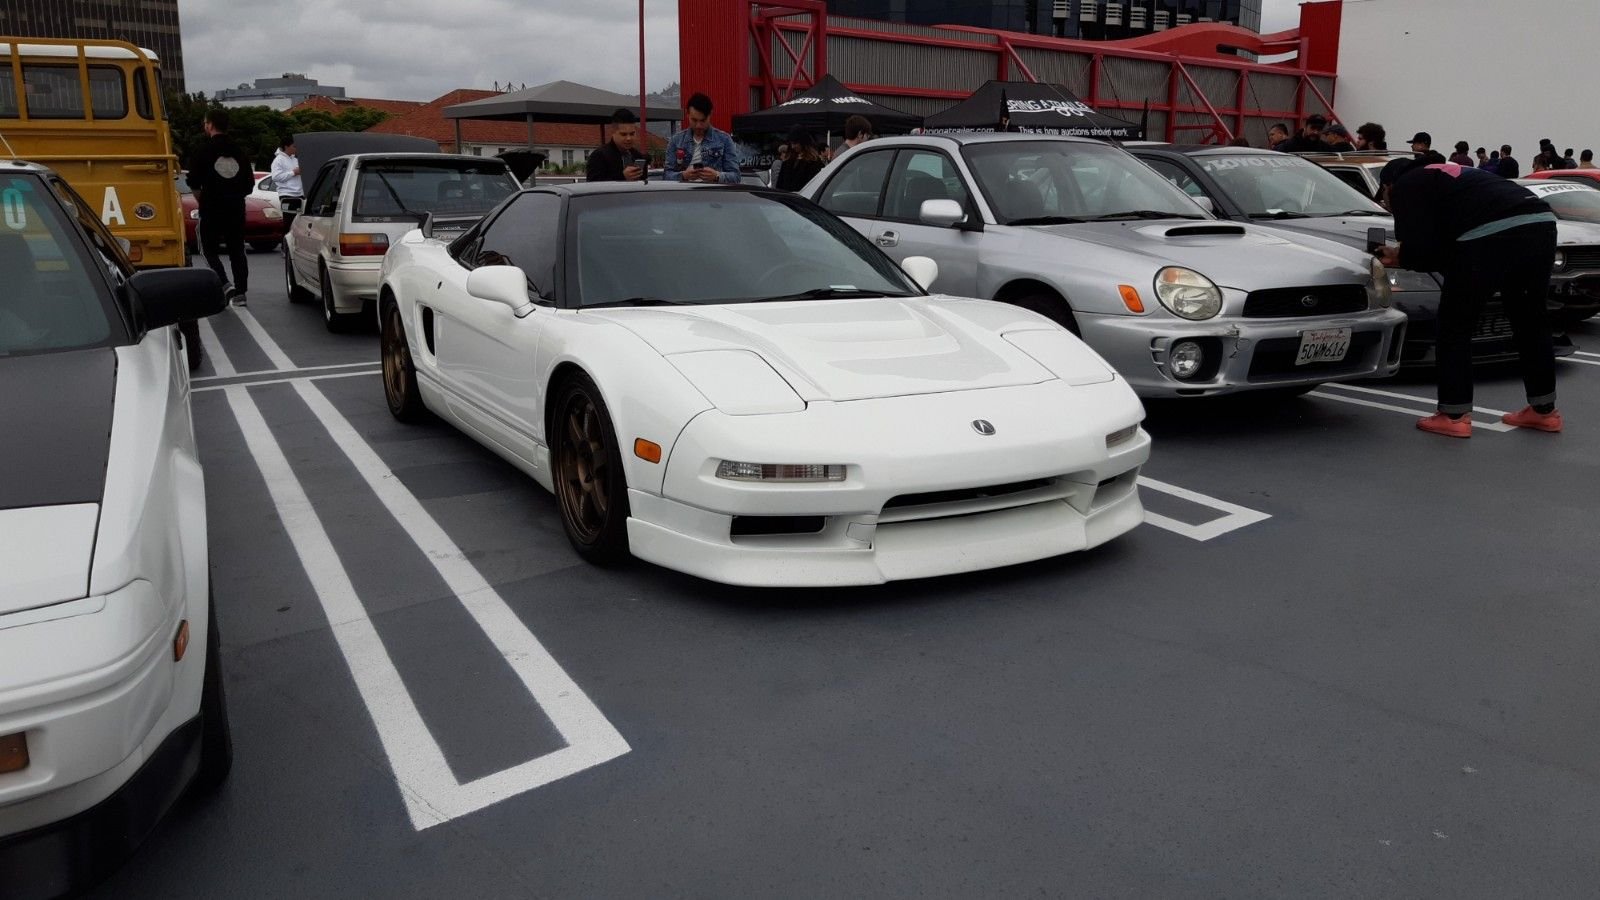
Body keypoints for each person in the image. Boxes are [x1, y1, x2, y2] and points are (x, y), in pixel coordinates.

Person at [1377, 160, 1561, 437]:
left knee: (1455, 323)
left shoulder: (1406, 184)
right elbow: (1451, 244)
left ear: (1388, 185)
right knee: (1530, 319)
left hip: (1491, 232)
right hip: (1540, 222)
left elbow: (1422, 250)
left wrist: (1399, 257)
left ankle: (1453, 415)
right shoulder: (1455, 176)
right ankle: (1544, 411)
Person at [189, 108, 255, 306]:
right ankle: (241, 293)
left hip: (211, 207)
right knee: (237, 250)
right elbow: (249, 185)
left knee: (208, 249)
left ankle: (225, 284)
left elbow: (193, 182)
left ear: (209, 125)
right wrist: (234, 196)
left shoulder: (203, 150)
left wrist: (204, 200)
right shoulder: (240, 151)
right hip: (235, 208)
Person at [662, 93, 742, 184]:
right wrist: (683, 175)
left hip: (714, 195)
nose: (698, 125)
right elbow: (666, 176)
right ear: (687, 114)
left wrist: (717, 176)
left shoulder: (725, 140)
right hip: (683, 195)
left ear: (710, 115)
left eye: (703, 120)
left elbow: (736, 177)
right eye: (694, 120)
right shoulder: (675, 141)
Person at [586, 108, 647, 182]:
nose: (629, 138)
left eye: (632, 134)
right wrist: (622, 177)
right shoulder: (599, 156)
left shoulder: (637, 156)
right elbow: (592, 186)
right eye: (623, 134)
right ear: (613, 132)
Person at [775, 126, 824, 192]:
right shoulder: (788, 161)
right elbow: (779, 185)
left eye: (795, 143)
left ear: (803, 142)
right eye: (791, 143)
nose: (792, 147)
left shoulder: (814, 162)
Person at [270, 135, 303, 231]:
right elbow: (276, 177)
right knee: (289, 223)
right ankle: (286, 244)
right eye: (294, 146)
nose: (296, 148)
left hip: (299, 194)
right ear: (286, 146)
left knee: (299, 223)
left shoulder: (295, 159)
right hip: (287, 195)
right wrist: (293, 172)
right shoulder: (278, 160)